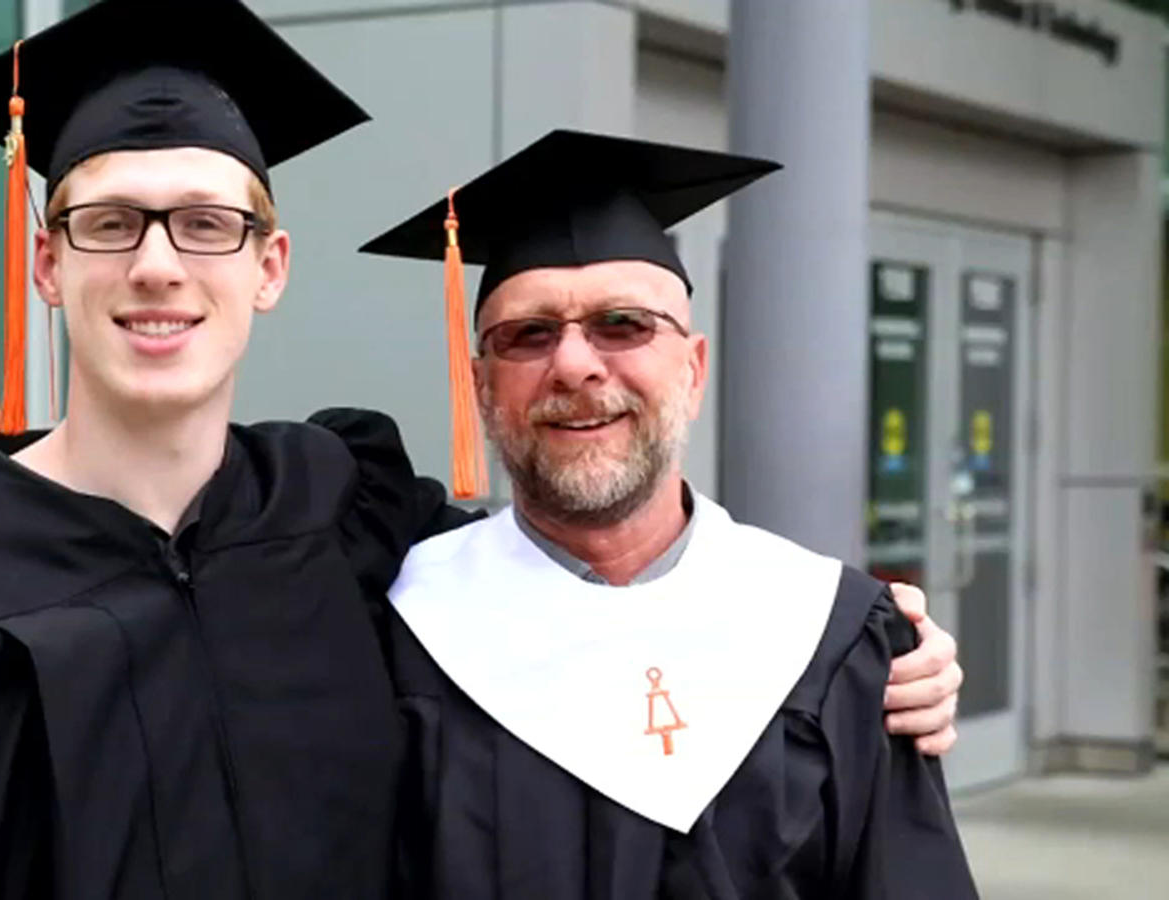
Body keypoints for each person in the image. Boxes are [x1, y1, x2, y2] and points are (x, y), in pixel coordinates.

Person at [0, 1, 963, 894]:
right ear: (46, 262)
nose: (158, 264)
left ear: (269, 266)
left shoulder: (341, 514)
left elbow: (587, 556)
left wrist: (871, 639)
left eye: (207, 223)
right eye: (110, 223)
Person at [361, 130, 980, 898]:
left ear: (693, 371)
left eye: (623, 324)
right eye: (529, 334)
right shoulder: (401, 627)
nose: (575, 364)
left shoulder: (833, 636)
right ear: (482, 389)